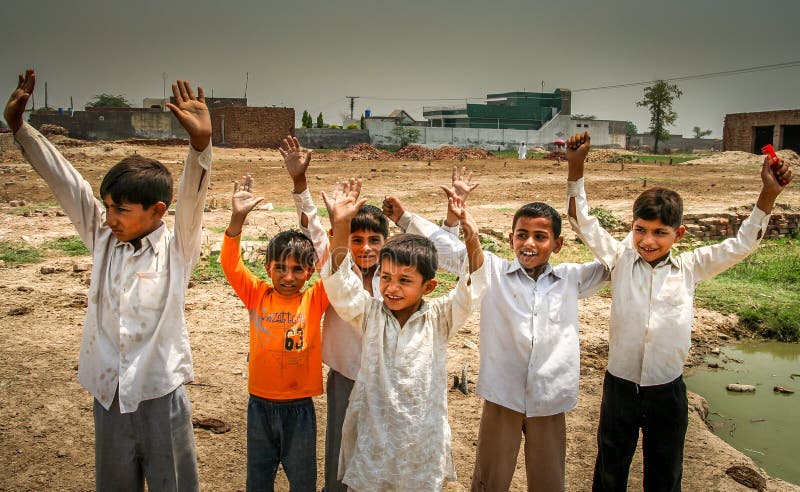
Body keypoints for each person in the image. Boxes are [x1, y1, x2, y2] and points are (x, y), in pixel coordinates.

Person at [4, 69, 212, 491]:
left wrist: (201, 145)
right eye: (107, 207)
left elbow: (193, 196)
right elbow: (66, 183)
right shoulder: (103, 237)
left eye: (121, 209)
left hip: (160, 395)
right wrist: (20, 129)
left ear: (156, 211)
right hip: (108, 395)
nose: (110, 217)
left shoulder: (177, 249)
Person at [565, 131, 793, 491]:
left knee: (665, 475)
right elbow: (581, 221)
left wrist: (769, 194)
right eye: (640, 230)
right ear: (631, 228)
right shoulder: (620, 260)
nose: (648, 241)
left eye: (660, 232)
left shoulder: (691, 268)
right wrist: (576, 166)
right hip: (620, 388)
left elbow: (743, 243)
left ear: (679, 234)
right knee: (610, 471)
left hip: (667, 391)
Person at [383, 167, 609, 492]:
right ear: (510, 238)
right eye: (521, 235)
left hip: (549, 399)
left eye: (541, 237)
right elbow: (449, 253)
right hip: (502, 396)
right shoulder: (493, 271)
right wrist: (406, 218)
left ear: (557, 243)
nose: (529, 243)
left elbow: (613, 260)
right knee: (490, 480)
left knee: (548, 481)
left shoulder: (572, 278)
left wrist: (576, 175)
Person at [321, 178, 487, 492]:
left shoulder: (439, 318)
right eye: (386, 277)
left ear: (428, 287)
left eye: (404, 280)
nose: (392, 288)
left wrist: (471, 235)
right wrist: (341, 228)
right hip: (374, 441)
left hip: (420, 444)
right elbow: (340, 285)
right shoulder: (370, 314)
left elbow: (473, 285)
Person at [279, 135, 389, 492]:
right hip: (344, 377)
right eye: (357, 240)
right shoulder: (335, 261)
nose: (366, 248)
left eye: (374, 240)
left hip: (387, 379)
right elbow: (311, 225)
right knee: (341, 451)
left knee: (382, 450)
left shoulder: (396, 275)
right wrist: (300, 183)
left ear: (387, 242)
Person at [219, 174, 329, 491]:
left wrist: (338, 226)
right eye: (280, 268)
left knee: (303, 480)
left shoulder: (316, 298)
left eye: (298, 269)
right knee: (258, 479)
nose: (288, 276)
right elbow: (230, 263)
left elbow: (335, 269)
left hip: (300, 408)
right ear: (268, 269)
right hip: (259, 407)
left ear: (310, 272)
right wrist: (236, 219)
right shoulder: (257, 295)